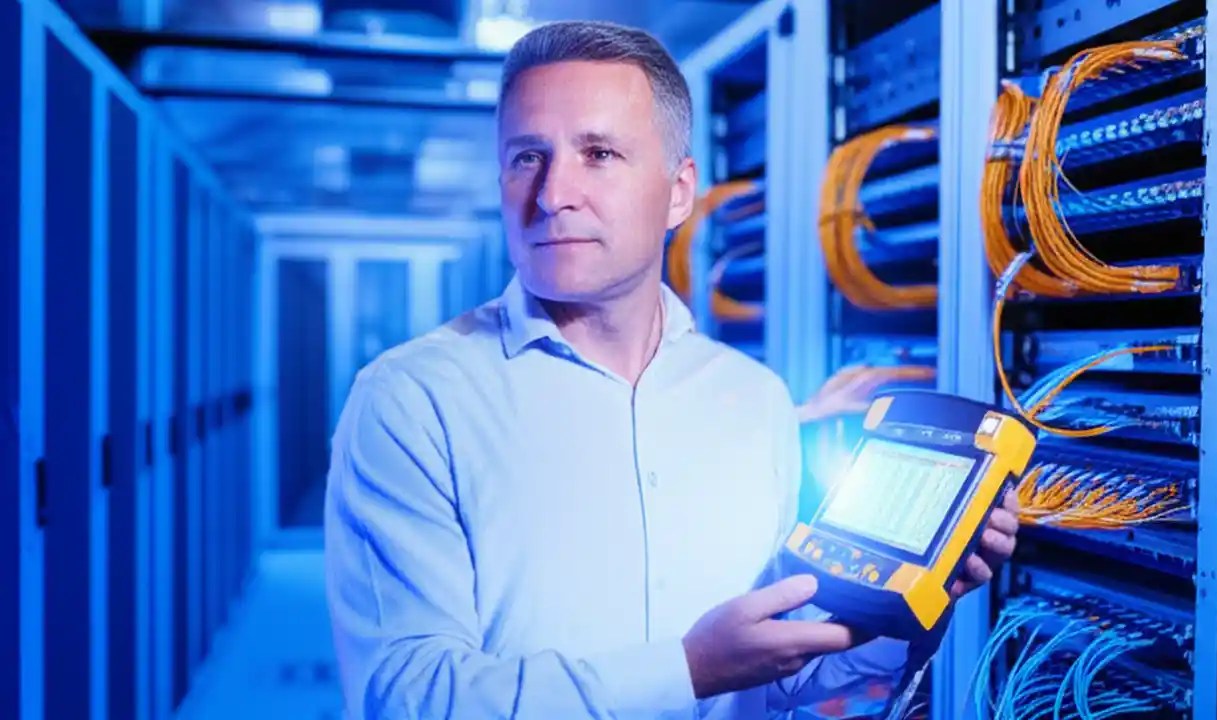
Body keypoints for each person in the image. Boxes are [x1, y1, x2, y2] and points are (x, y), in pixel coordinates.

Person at [323, 19, 1020, 720]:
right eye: (527, 157)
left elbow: (784, 674)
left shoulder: (752, 399)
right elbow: (406, 700)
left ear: (680, 191)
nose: (554, 191)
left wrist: (914, 599)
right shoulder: (414, 401)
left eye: (598, 152)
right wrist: (686, 670)